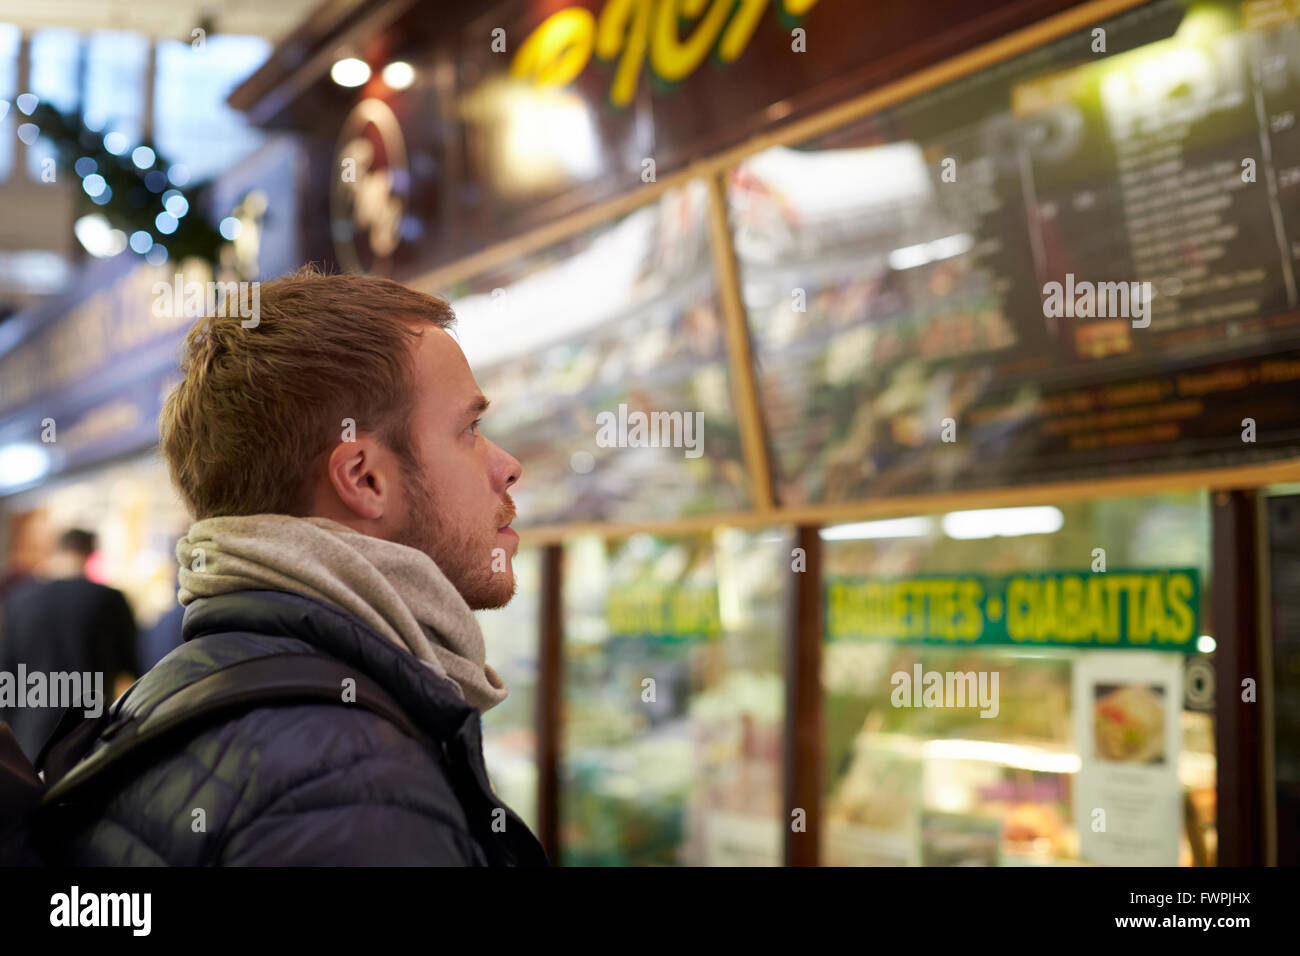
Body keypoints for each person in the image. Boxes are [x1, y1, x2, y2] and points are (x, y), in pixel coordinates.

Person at [53, 264, 547, 866]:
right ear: (363, 478)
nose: (508, 465)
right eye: (469, 428)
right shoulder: (355, 792)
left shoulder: (177, 692)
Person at [0, 529, 137, 761]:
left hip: (29, 737)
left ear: (57, 551)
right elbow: (132, 666)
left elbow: (5, 676)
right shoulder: (109, 599)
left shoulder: (18, 600)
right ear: (90, 553)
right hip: (88, 737)